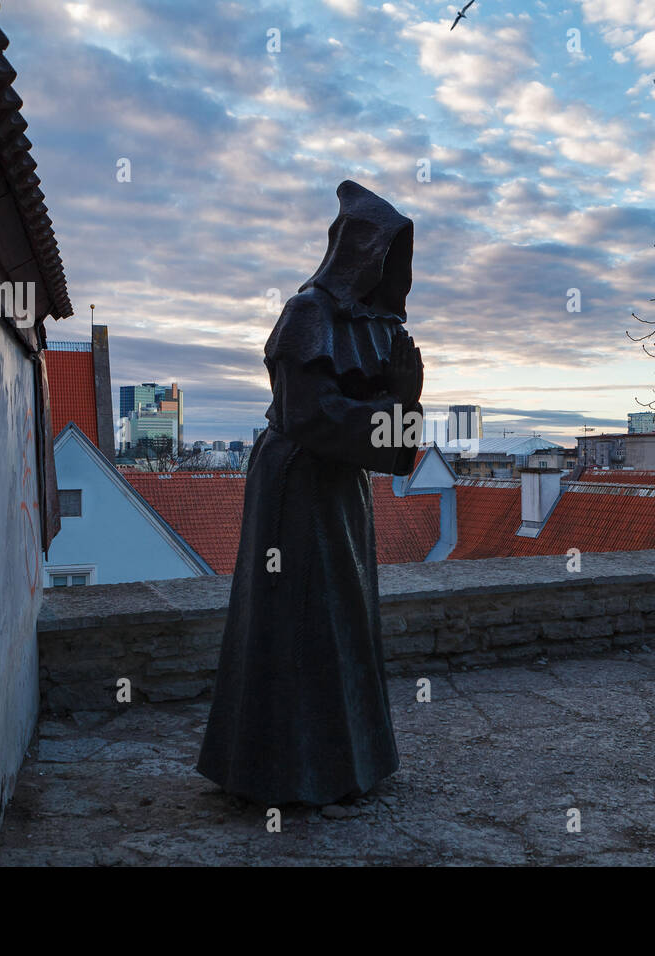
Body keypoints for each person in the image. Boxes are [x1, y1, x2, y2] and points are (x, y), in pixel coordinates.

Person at [195, 180, 424, 806]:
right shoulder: (308, 315)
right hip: (296, 488)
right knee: (296, 621)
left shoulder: (350, 322)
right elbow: (312, 415)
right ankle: (279, 770)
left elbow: (384, 439)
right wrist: (398, 402)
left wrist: (401, 401)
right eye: (382, 257)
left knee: (337, 620)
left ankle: (339, 763)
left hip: (335, 489)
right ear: (358, 254)